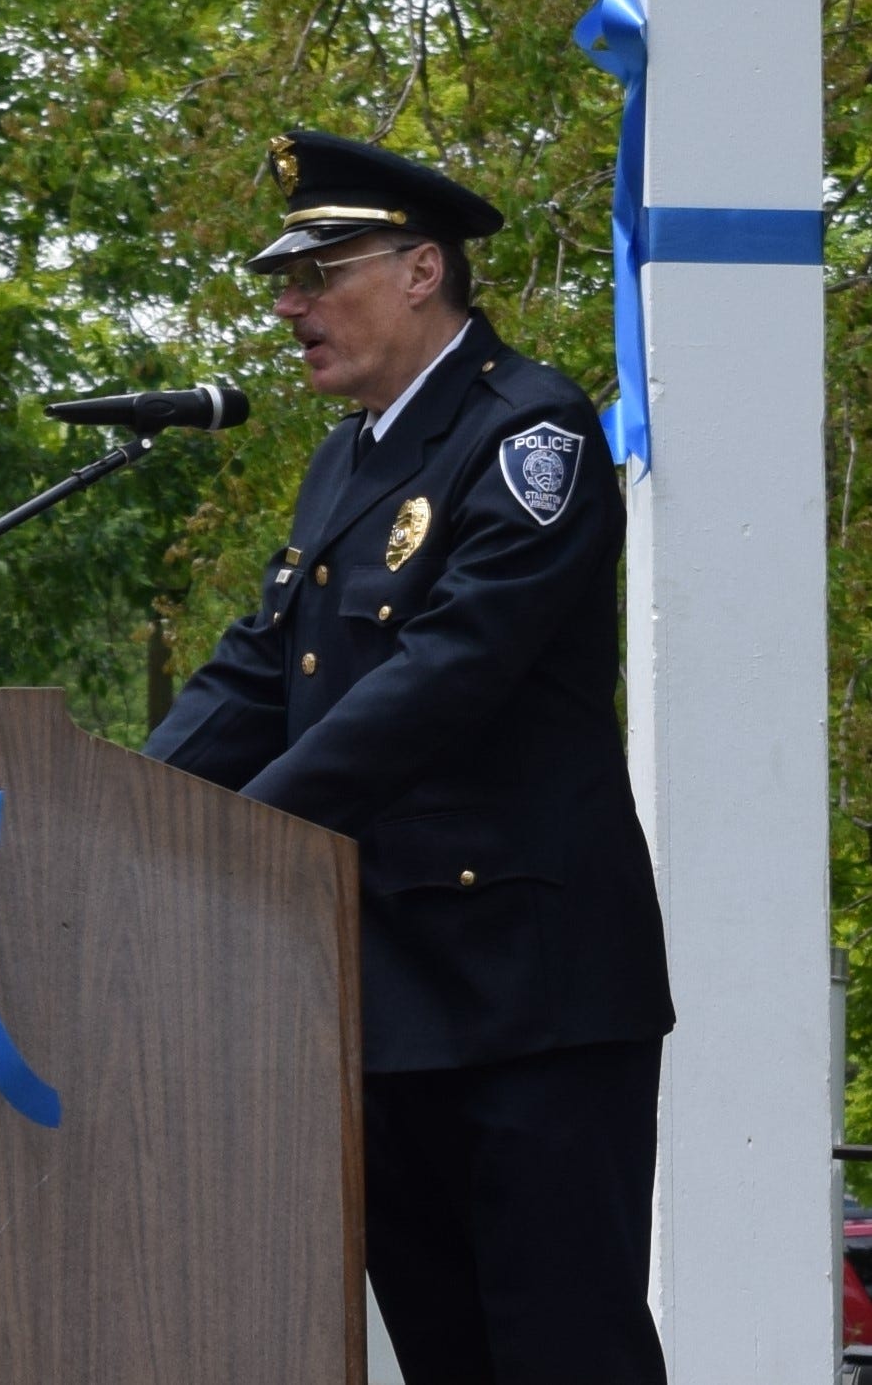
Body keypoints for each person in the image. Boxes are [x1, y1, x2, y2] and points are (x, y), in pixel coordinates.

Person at [143, 128, 674, 1385]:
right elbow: (258, 669)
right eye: (287, 278)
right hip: (388, 991)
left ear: (423, 268)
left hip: (528, 991)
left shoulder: (529, 430)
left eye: (321, 272)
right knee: (444, 1352)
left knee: (563, 1348)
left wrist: (247, 830)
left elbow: (445, 678)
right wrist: (113, 805)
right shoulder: (349, 458)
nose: (291, 304)